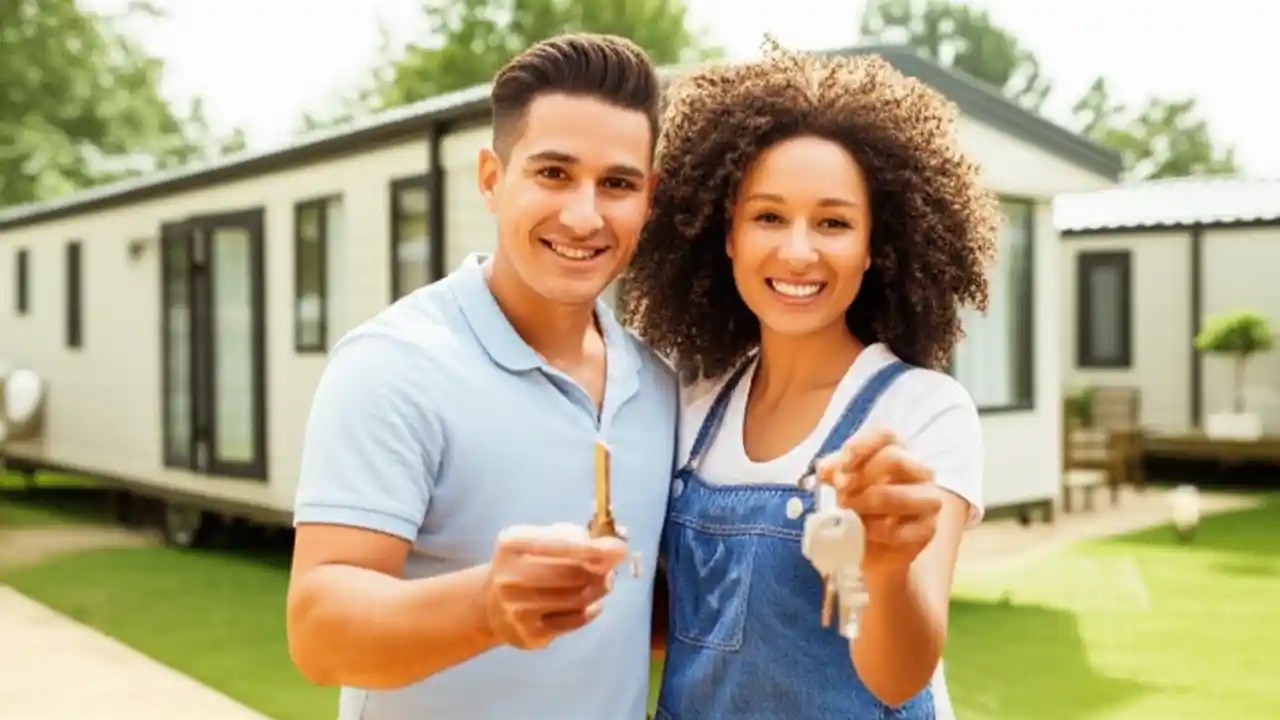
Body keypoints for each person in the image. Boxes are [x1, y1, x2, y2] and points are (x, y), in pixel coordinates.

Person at [286, 33, 678, 720]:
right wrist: (487, 606)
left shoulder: (660, 386)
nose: (584, 215)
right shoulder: (392, 366)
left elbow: (639, 615)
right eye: (553, 173)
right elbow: (319, 633)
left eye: (616, 183)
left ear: (649, 199)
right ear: (492, 180)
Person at [620, 39, 1001, 718]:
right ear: (727, 233)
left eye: (833, 222)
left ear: (872, 247)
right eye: (768, 216)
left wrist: (882, 567)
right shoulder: (692, 406)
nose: (799, 251)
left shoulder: (923, 412)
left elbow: (899, 676)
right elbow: (679, 627)